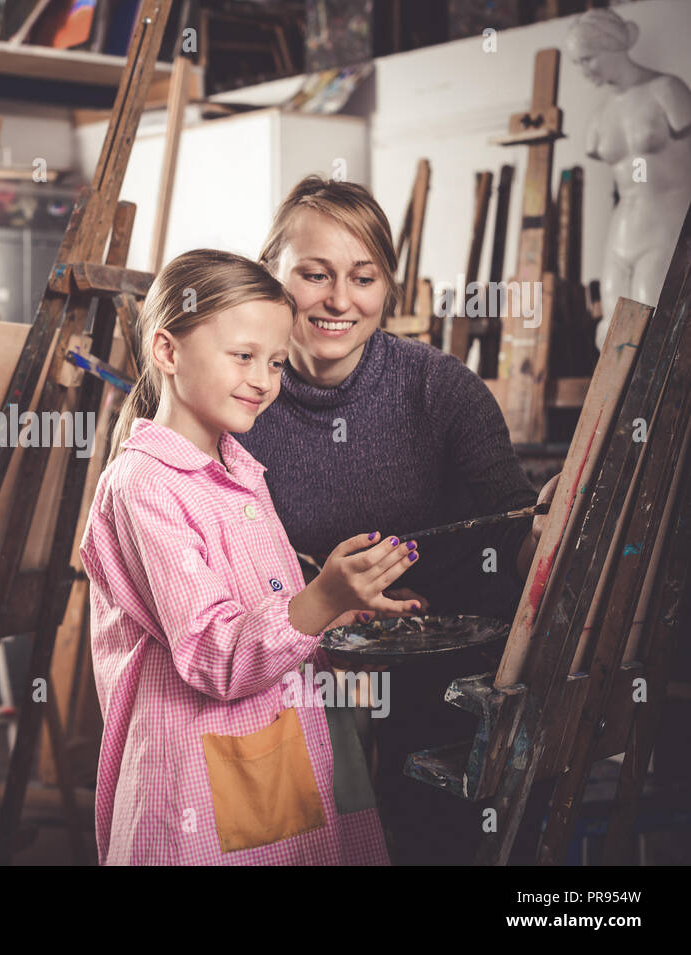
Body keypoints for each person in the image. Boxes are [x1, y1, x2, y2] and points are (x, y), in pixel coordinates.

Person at [237, 175, 558, 864]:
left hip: (440, 666)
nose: (339, 300)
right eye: (315, 275)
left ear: (389, 286)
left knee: (439, 832)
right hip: (293, 669)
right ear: (271, 274)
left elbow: (514, 531)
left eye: (364, 277)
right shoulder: (240, 399)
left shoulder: (441, 389)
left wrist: (556, 523)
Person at [79, 249, 421, 865]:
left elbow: (268, 612)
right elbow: (214, 653)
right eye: (243, 356)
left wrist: (342, 607)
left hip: (278, 758)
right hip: (196, 788)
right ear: (167, 351)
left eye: (276, 361)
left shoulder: (238, 470)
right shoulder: (144, 486)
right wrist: (318, 599)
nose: (264, 380)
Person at [565, 7, 691, 349]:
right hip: (622, 231)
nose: (583, 70)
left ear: (613, 45)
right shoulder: (601, 116)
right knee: (610, 332)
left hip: (668, 221)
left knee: (657, 331)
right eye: (577, 62)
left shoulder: (667, 91)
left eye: (588, 58)